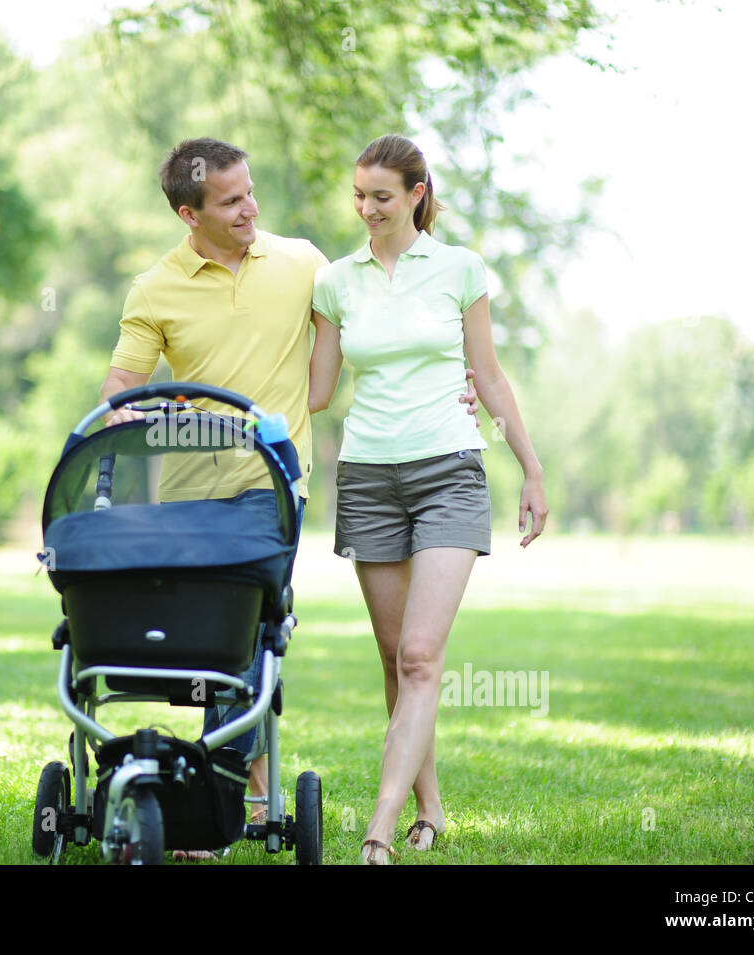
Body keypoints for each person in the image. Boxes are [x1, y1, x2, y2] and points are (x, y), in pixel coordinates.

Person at [98, 137, 479, 860]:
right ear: (189, 213)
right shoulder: (155, 288)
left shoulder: (303, 263)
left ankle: (224, 808)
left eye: (251, 191)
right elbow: (122, 378)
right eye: (231, 201)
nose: (251, 208)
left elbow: (377, 310)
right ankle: (242, 791)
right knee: (210, 648)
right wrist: (120, 407)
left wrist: (450, 379)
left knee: (246, 637)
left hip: (271, 488)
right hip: (187, 498)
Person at [306, 134, 547, 865]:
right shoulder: (335, 282)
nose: (366, 209)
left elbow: (491, 374)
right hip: (370, 477)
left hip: (448, 471)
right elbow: (314, 392)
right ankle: (429, 808)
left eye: (382, 196)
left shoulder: (460, 269)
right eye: (359, 196)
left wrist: (532, 469)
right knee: (394, 656)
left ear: (417, 193)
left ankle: (379, 831)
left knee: (419, 653)